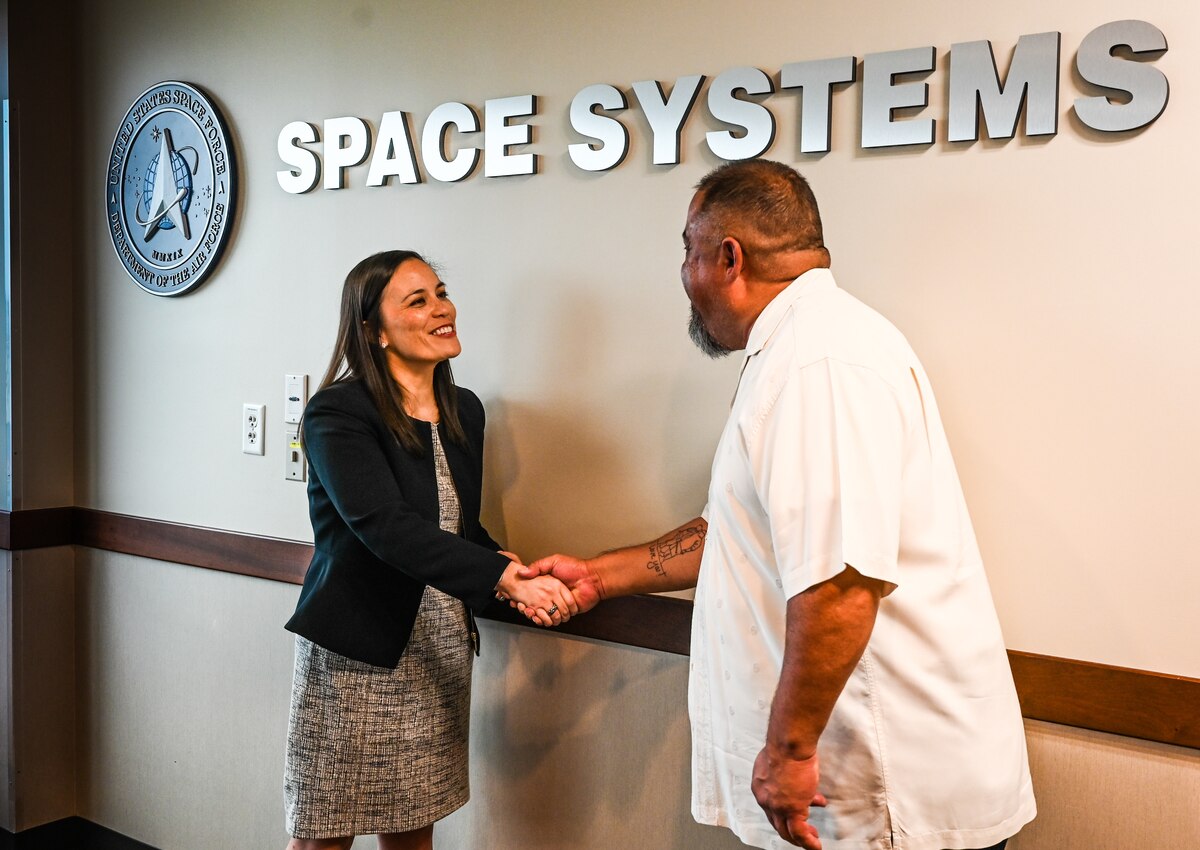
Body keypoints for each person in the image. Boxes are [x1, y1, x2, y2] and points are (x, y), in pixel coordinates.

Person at [521, 160, 1036, 850]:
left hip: (883, 796)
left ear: (729, 257)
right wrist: (601, 576)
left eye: (688, 250)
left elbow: (841, 581)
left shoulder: (820, 361)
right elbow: (740, 534)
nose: (684, 273)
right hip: (854, 791)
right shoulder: (799, 348)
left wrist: (789, 753)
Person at [282, 250, 576, 850]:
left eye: (440, 293)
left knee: (414, 828)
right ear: (373, 330)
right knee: (323, 835)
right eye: (417, 300)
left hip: (438, 647)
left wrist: (520, 572)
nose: (442, 308)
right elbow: (384, 527)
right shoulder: (337, 412)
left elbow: (459, 528)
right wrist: (505, 579)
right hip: (358, 654)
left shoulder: (464, 408)